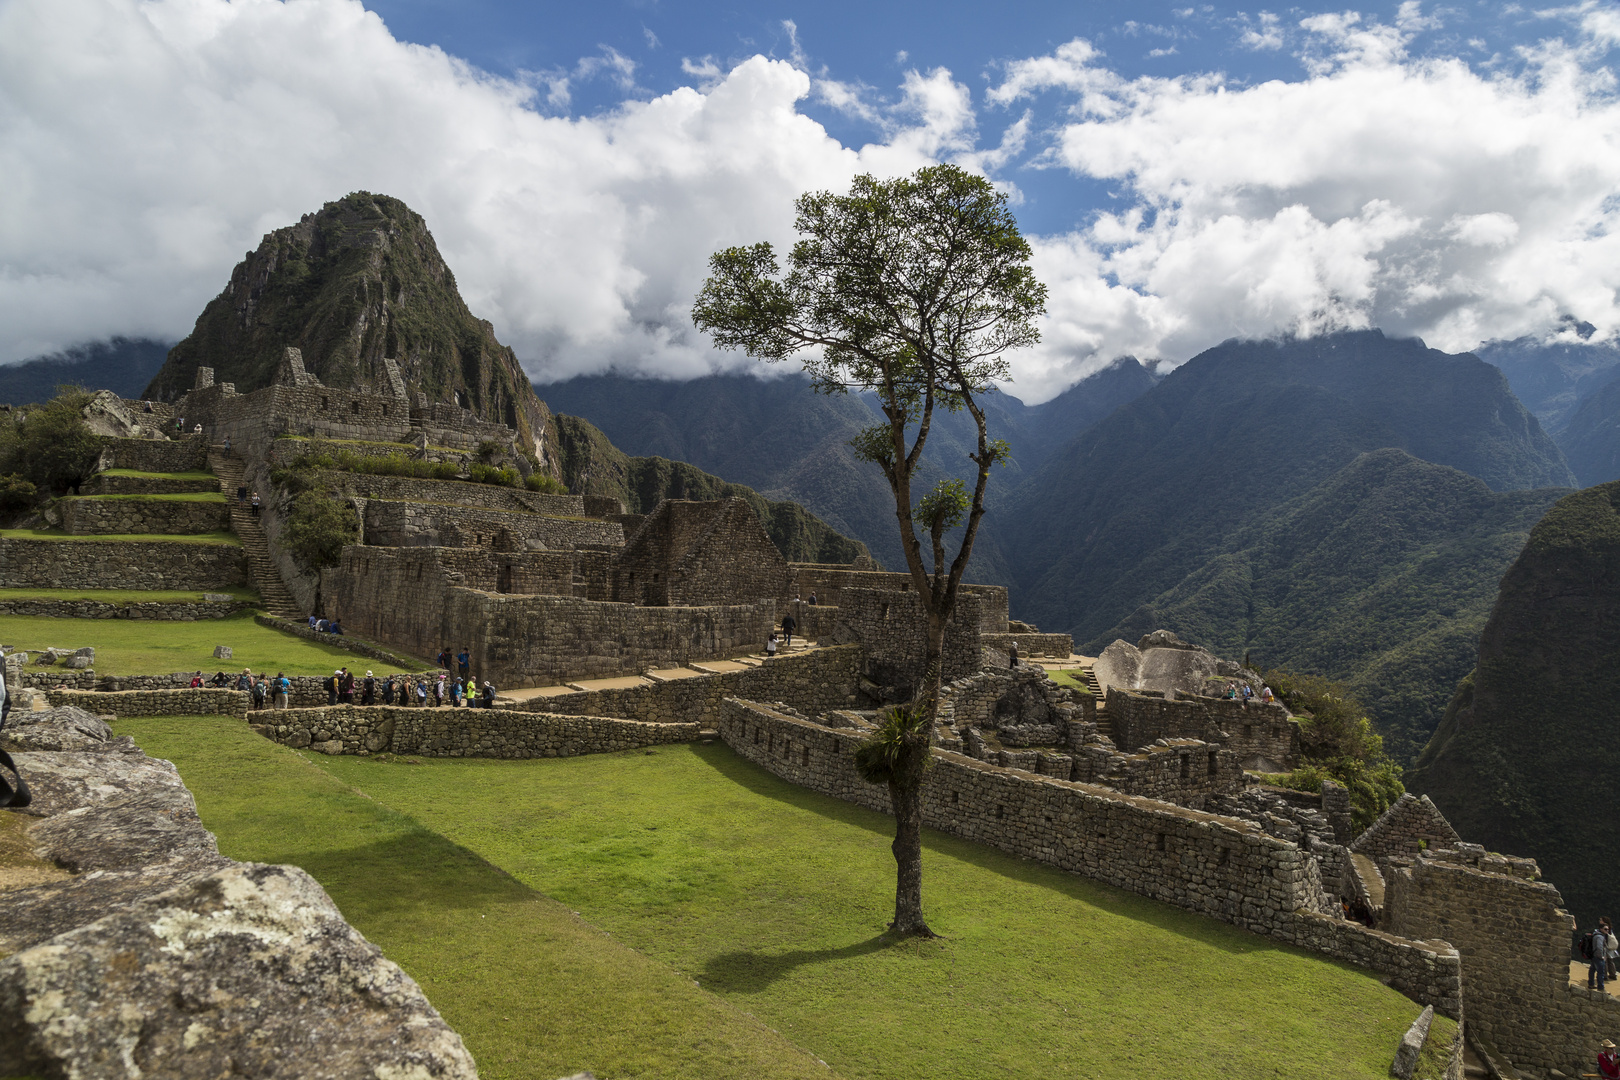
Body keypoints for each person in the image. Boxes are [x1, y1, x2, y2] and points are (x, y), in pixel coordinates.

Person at [1590, 922, 1611, 990]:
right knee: (1601, 973)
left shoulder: (1596, 935)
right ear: (1601, 929)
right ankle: (1601, 988)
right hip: (1598, 957)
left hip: (1594, 956)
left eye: (1608, 929)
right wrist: (1601, 956)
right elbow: (1599, 948)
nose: (1607, 930)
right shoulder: (1600, 937)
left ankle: (1591, 984)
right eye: (1605, 929)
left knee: (1592, 970)